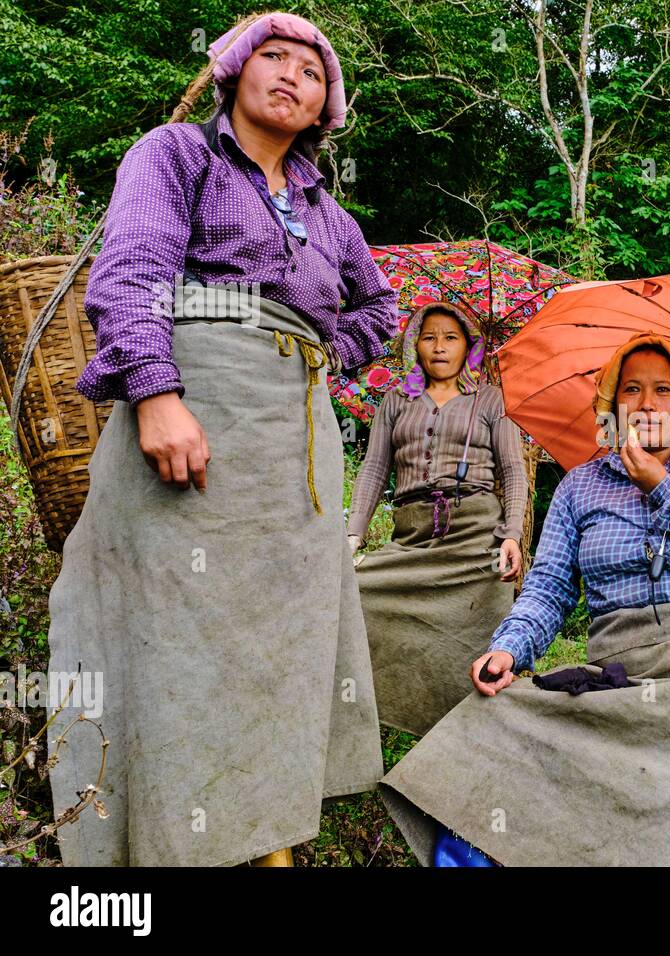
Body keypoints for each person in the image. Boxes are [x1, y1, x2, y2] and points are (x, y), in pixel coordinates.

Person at [43, 11, 398, 866]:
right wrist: (158, 394)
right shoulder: (176, 156)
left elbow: (380, 310)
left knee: (280, 635)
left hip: (296, 441)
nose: (291, 77)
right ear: (234, 73)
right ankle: (166, 838)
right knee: (182, 630)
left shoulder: (329, 210)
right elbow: (131, 268)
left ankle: (268, 834)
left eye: (311, 73)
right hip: (198, 413)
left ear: (325, 108)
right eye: (272, 58)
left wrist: (323, 351)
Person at [377, 331, 670, 865]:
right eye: (633, 390)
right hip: (622, 678)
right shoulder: (580, 487)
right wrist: (509, 647)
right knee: (487, 734)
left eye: (664, 390)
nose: (647, 403)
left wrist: (662, 486)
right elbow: (549, 589)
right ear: (611, 403)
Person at [346, 300, 527, 735]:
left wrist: (512, 535)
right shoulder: (396, 401)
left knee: (480, 624)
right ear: (414, 345)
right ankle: (375, 717)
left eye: (451, 338)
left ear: (469, 345)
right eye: (429, 337)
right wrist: (353, 533)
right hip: (413, 535)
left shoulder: (490, 400)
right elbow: (373, 469)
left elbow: (513, 471)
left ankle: (471, 732)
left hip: (474, 536)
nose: (440, 347)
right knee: (352, 593)